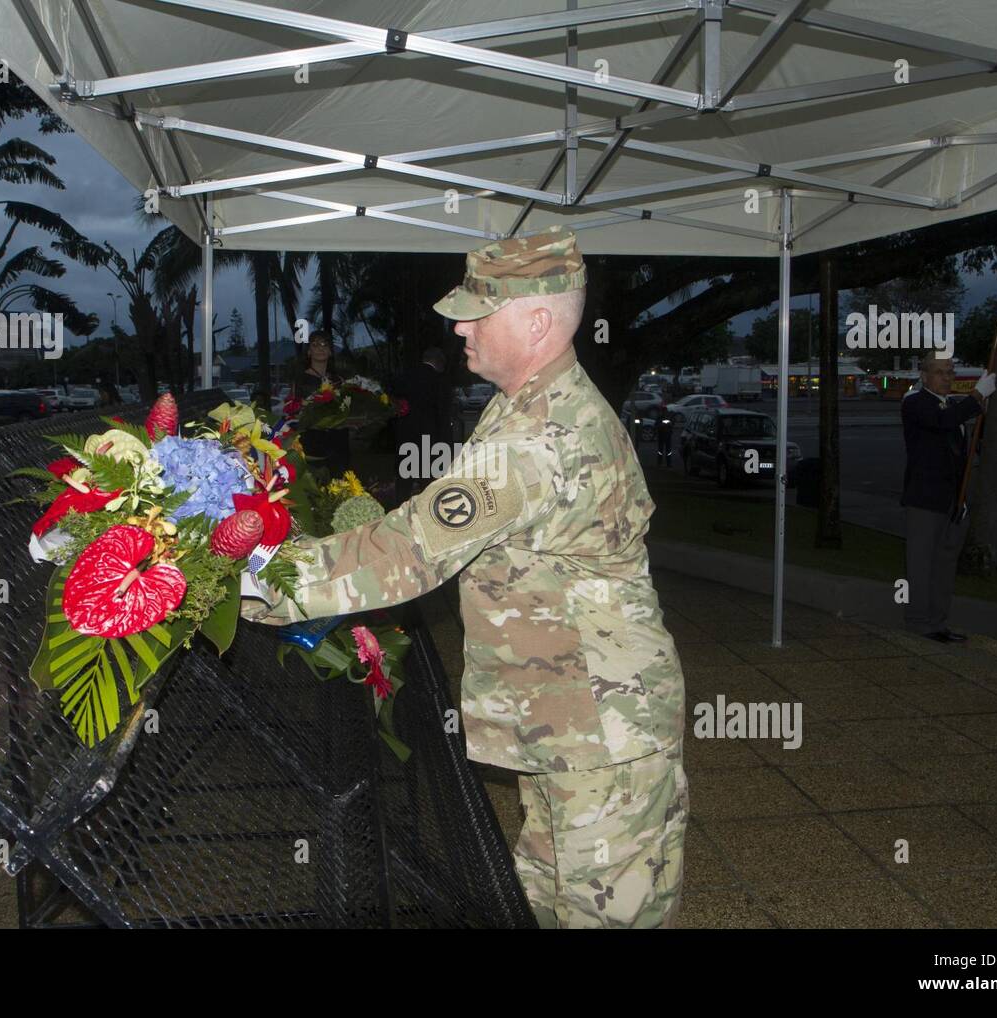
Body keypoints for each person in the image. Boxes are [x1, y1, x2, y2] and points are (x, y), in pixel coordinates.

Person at [243, 226, 686, 928]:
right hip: (569, 716)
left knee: (605, 914)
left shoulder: (538, 441)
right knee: (543, 900)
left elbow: (410, 550)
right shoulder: (533, 404)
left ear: (537, 321)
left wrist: (251, 580)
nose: (456, 325)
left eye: (478, 311)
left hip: (602, 731)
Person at [900, 354, 996, 642]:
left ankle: (938, 622)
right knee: (920, 565)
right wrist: (977, 397)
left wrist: (982, 412)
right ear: (924, 376)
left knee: (944, 566)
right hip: (925, 500)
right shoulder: (915, 403)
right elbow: (940, 423)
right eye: (940, 372)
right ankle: (919, 622)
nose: (947, 377)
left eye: (950, 372)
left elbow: (965, 450)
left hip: (952, 502)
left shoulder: (954, 407)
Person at [394, 345, 453, 501]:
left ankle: (398, 511)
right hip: (431, 440)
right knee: (429, 483)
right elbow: (443, 414)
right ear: (440, 363)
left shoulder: (404, 376)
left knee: (404, 480)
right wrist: (447, 445)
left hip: (406, 436)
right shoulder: (440, 381)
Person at [293, 330, 351, 477]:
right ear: (309, 352)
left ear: (330, 352)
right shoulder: (300, 379)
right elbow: (294, 410)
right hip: (312, 441)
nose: (320, 348)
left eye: (325, 344)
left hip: (338, 441)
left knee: (340, 484)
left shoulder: (339, 380)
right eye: (315, 344)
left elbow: (347, 408)